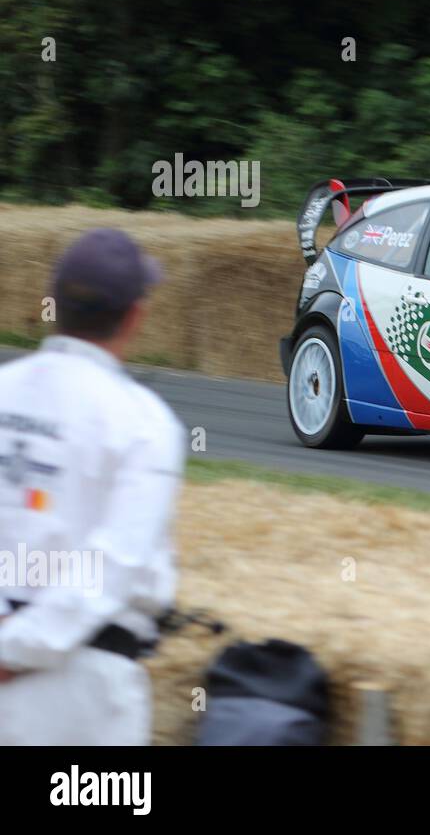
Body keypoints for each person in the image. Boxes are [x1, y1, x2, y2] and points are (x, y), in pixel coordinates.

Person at [0, 228, 184, 745]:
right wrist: (16, 649)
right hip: (83, 694)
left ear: (53, 304)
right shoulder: (143, 421)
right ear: (135, 316)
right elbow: (112, 564)